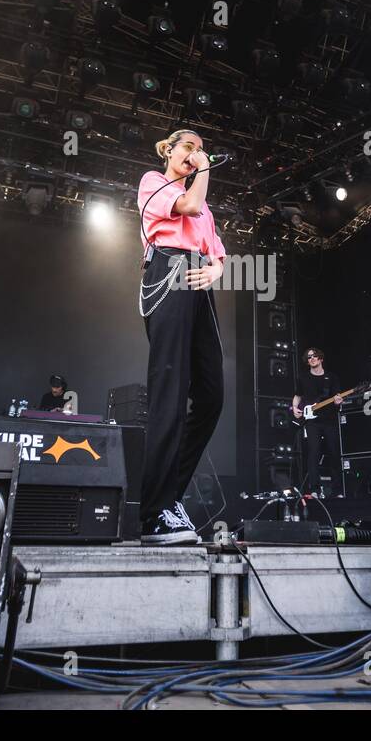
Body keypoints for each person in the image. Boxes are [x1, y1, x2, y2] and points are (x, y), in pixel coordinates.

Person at [137, 128, 226, 545]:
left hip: (198, 285)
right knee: (170, 392)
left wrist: (215, 270)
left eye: (200, 148)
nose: (195, 152)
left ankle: (171, 497)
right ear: (169, 151)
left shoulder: (206, 208)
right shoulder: (154, 182)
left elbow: (219, 256)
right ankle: (154, 512)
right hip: (168, 272)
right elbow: (188, 204)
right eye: (188, 146)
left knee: (211, 395)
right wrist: (202, 169)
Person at [292, 347, 346, 494]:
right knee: (313, 452)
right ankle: (314, 489)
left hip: (329, 420)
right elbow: (298, 395)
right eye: (309, 357)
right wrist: (294, 408)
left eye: (315, 356)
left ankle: (337, 490)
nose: (312, 358)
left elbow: (337, 398)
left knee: (333, 452)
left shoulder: (331, 378)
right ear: (307, 361)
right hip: (312, 421)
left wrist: (338, 402)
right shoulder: (302, 378)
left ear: (321, 359)